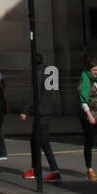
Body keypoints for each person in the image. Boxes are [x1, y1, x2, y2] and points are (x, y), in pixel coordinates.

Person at [20, 53, 61, 181]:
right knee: (35, 141)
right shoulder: (49, 71)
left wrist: (26, 110)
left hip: (41, 112)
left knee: (43, 142)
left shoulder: (37, 74)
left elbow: (34, 94)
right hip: (46, 110)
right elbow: (50, 90)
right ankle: (35, 168)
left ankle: (54, 171)